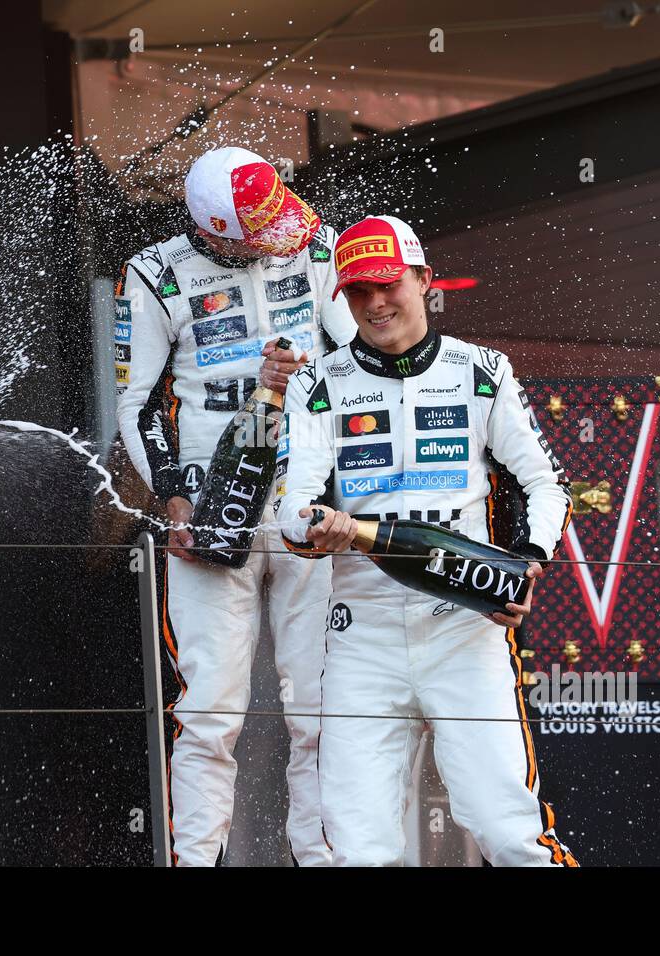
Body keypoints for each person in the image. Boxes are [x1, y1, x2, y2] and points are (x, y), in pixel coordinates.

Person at [278, 215, 579, 866]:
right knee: (359, 852)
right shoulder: (316, 384)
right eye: (357, 291)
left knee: (508, 834)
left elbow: (547, 484)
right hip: (361, 640)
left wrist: (527, 562)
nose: (375, 303)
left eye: (388, 285)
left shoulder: (483, 372)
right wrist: (314, 523)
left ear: (423, 279)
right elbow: (290, 508)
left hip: (464, 631)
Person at [114, 146, 356, 865]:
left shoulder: (315, 242)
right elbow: (138, 402)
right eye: (259, 227)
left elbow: (357, 359)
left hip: (307, 498)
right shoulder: (154, 272)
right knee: (210, 711)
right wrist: (175, 499)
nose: (282, 232)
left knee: (320, 709)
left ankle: (322, 859)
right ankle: (198, 861)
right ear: (215, 228)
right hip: (212, 508)